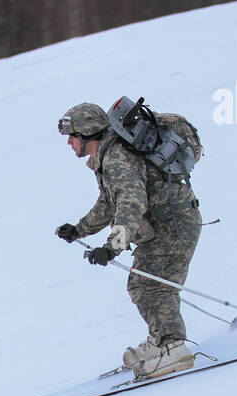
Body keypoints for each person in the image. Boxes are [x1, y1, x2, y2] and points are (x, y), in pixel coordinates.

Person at [55, 102, 203, 378]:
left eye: (72, 135)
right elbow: (109, 203)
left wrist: (112, 247)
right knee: (144, 283)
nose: (69, 142)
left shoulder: (117, 158)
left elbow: (131, 205)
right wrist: (79, 229)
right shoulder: (108, 155)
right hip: (167, 225)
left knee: (149, 286)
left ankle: (172, 347)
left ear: (88, 132)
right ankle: (161, 342)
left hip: (174, 225)